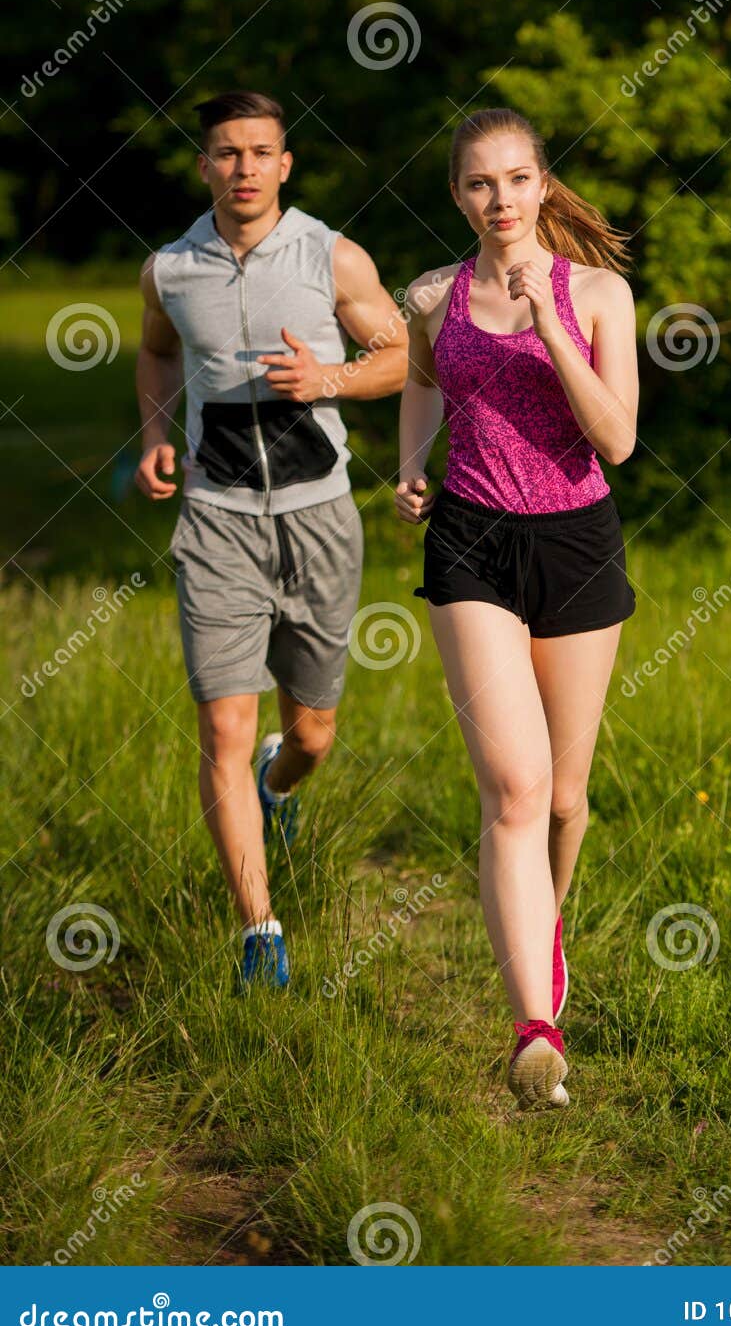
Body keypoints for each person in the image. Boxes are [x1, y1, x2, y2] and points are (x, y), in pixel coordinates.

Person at [136, 90, 408, 990]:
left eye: (261, 152)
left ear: (285, 164)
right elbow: (157, 352)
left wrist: (326, 375)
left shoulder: (331, 256)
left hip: (318, 514)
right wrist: (154, 433)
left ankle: (279, 785)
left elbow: (404, 355)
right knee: (221, 723)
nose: (244, 168)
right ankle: (260, 932)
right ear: (204, 165)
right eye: (226, 153)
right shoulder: (170, 271)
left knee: (314, 733)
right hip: (215, 521)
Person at [395, 107, 638, 1108]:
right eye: (479, 184)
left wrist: (547, 323)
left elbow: (616, 438)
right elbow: (421, 379)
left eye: (517, 180)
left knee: (564, 798)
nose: (499, 200)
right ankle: (534, 1027)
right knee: (511, 785)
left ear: (542, 186)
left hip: (576, 546)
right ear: (457, 195)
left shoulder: (598, 293)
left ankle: (544, 933)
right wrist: (411, 458)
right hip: (469, 543)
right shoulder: (428, 296)